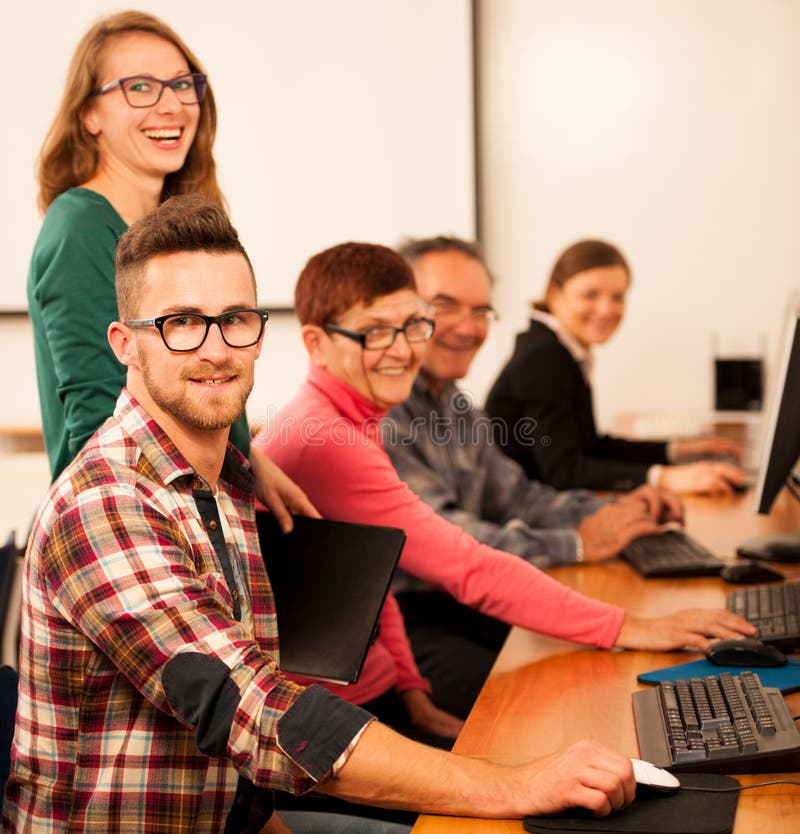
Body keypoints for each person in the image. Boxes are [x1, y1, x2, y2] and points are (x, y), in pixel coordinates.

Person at [5, 196, 648, 833]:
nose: (214, 347)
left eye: (234, 319)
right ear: (125, 343)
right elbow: (254, 711)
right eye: (180, 323)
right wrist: (516, 782)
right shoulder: (107, 503)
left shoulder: (229, 478)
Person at [253, 240, 755, 720]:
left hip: (368, 684)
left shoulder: (360, 417)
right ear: (317, 345)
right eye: (376, 332)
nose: (403, 349)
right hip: (330, 710)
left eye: (412, 327)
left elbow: (373, 571)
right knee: (570, 700)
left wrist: (412, 689)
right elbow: (467, 566)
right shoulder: (328, 438)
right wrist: (633, 626)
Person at [26, 10, 310, 531]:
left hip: (204, 513)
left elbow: (201, 375)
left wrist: (253, 465)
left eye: (183, 84)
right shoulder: (82, 227)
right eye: (139, 86)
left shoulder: (169, 221)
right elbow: (97, 418)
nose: (172, 104)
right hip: (137, 525)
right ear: (89, 114)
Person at [382, 235, 687, 714]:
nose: (469, 327)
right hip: (411, 624)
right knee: (560, 700)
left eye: (481, 310)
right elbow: (450, 544)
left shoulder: (456, 404)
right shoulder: (380, 413)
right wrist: (580, 542)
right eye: (445, 305)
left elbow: (518, 496)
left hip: (466, 604)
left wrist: (611, 511)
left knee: (612, 670)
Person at [485, 238, 746, 495]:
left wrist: (677, 451)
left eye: (618, 297)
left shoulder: (560, 348)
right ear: (554, 294)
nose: (607, 309)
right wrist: (665, 478)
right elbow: (565, 471)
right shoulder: (543, 357)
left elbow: (590, 446)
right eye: (590, 295)